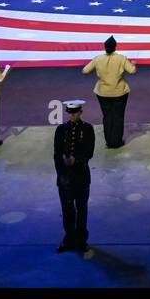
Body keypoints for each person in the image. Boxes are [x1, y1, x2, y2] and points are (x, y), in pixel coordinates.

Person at [54, 99, 95, 252]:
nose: (73, 116)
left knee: (81, 209)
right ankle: (69, 238)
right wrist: (61, 174)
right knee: (67, 209)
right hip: (65, 178)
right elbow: (57, 154)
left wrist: (76, 160)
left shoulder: (87, 129)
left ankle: (81, 240)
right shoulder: (61, 130)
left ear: (80, 112)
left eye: (75, 113)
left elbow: (89, 152)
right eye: (70, 113)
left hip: (81, 176)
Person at [83, 35, 135, 149]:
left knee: (107, 116)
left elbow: (85, 71)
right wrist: (134, 64)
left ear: (105, 47)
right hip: (119, 92)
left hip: (102, 92)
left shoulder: (97, 59)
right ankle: (116, 142)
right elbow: (132, 71)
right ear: (115, 47)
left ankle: (109, 141)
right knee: (118, 116)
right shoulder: (121, 58)